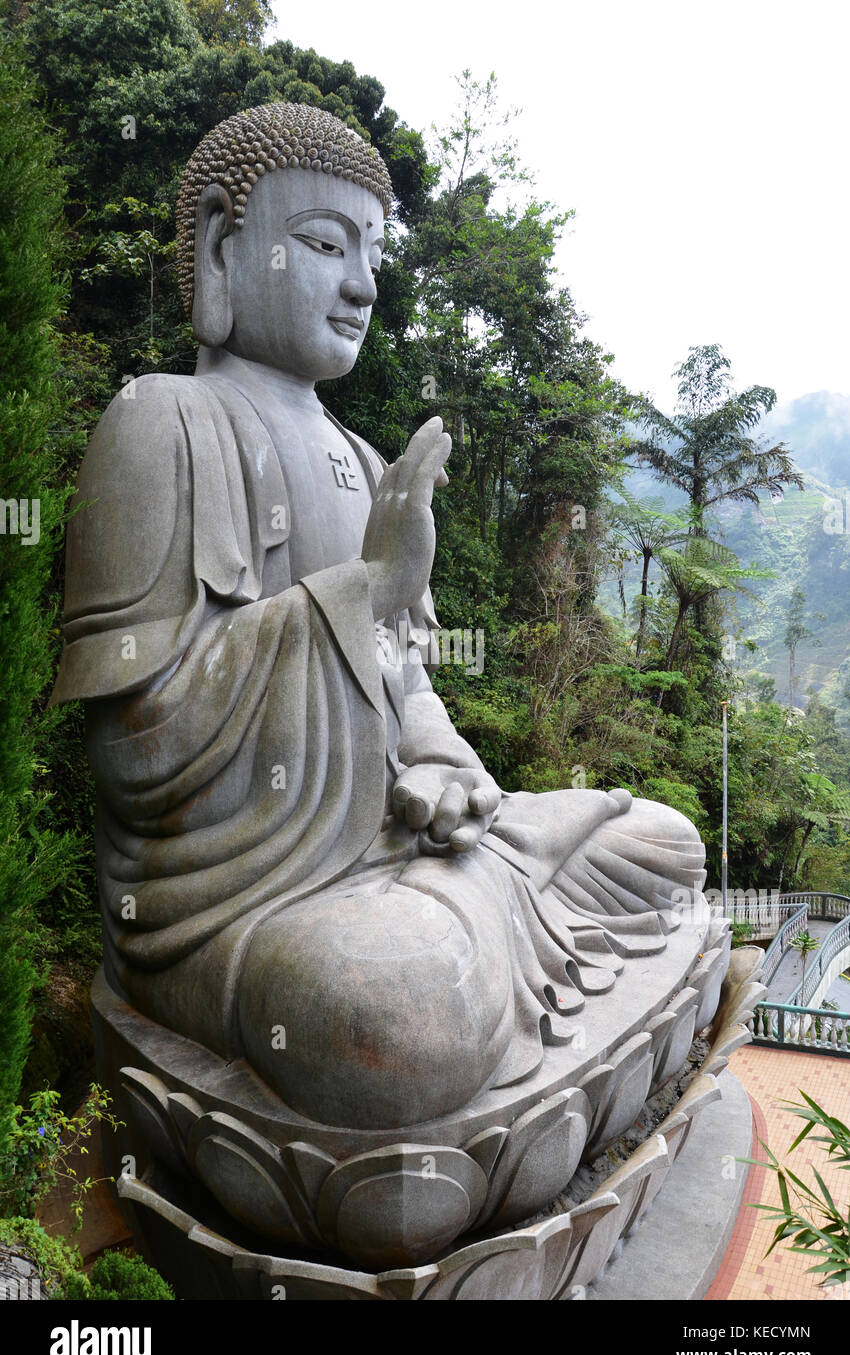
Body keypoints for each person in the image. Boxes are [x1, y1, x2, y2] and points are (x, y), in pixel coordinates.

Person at [52, 103, 709, 1132]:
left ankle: (488, 898)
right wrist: (367, 587)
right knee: (394, 1019)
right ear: (224, 244)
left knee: (663, 846)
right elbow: (139, 750)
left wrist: (445, 767)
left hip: (399, 856)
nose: (362, 284)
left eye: (373, 254)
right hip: (233, 904)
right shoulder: (160, 419)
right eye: (325, 244)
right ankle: (478, 939)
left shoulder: (366, 462)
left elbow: (407, 685)